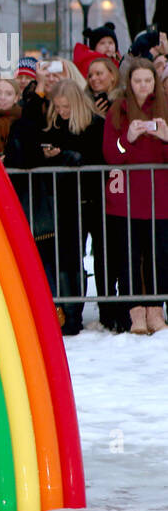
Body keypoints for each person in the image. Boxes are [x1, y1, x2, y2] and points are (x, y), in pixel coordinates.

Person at [6, 80, 104, 334]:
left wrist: (68, 156)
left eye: (66, 106)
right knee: (64, 259)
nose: (62, 111)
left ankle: (74, 315)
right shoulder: (53, 125)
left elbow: (96, 160)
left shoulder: (94, 125)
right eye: (57, 106)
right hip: (60, 202)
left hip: (87, 201)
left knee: (76, 260)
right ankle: (65, 315)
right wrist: (53, 155)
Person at [102, 59, 168, 333]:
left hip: (160, 198)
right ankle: (135, 312)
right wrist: (126, 138)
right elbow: (110, 154)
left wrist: (166, 139)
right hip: (126, 199)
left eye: (148, 80)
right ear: (129, 83)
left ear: (155, 82)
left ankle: (155, 310)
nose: (143, 86)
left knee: (159, 257)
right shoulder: (118, 109)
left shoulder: (164, 108)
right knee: (129, 257)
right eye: (138, 80)